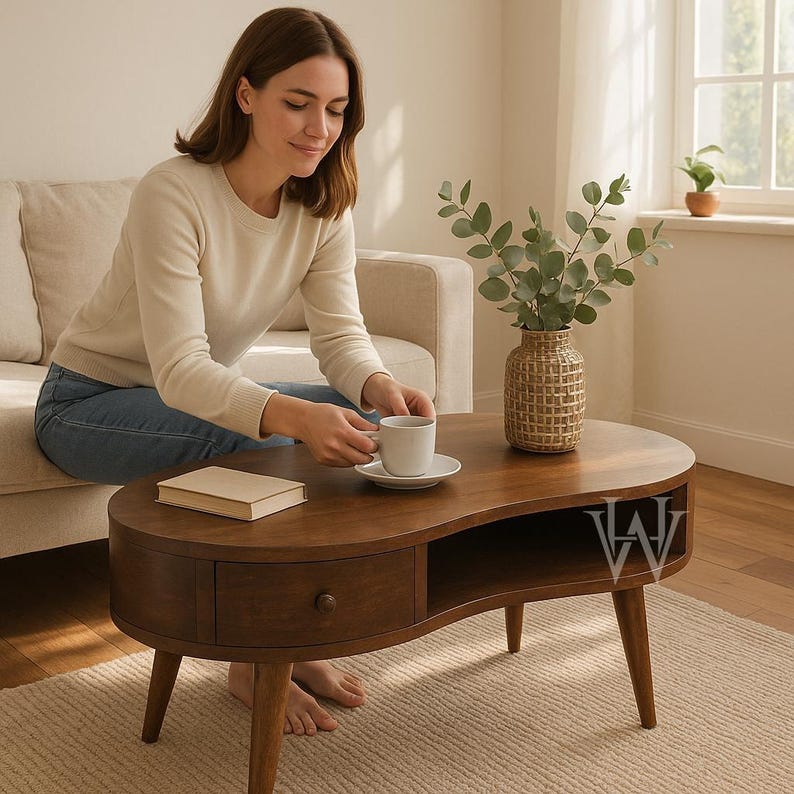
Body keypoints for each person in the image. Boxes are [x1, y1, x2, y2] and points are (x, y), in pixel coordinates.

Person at [34, 7, 434, 737]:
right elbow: (183, 370)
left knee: (370, 430)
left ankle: (298, 631)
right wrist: (291, 415)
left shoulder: (323, 207)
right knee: (275, 442)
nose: (319, 128)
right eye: (298, 103)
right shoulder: (174, 192)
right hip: (88, 402)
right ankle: (253, 655)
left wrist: (379, 388)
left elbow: (340, 337)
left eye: (337, 110)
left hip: (184, 399)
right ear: (246, 95)